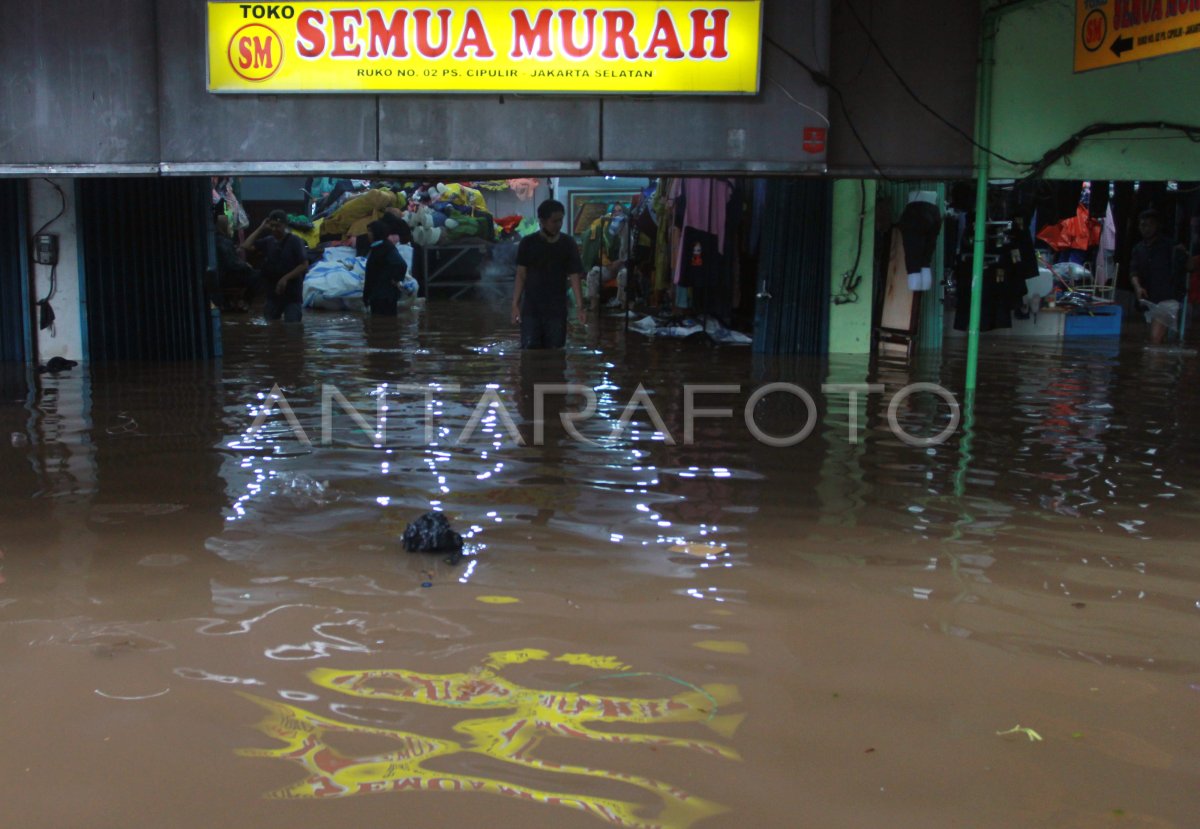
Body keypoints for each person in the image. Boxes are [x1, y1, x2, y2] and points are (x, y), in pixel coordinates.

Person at [512, 199, 585, 349]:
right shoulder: (528, 243)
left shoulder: (568, 243)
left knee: (556, 350)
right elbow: (521, 275)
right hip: (532, 307)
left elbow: (574, 275)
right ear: (542, 221)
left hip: (557, 308)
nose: (559, 225)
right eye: (554, 221)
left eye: (561, 220)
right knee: (529, 350)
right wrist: (515, 304)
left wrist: (580, 306)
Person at [1129, 209, 1188, 344]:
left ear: (1157, 226)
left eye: (1150, 225)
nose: (1146, 229)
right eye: (1143, 225)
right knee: (1158, 338)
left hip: (1168, 297)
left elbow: (1187, 267)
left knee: (1155, 338)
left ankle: (1154, 364)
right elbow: (1133, 272)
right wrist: (1138, 288)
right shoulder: (1138, 249)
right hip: (1149, 299)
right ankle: (1162, 363)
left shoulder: (1170, 246)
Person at [241, 209, 309, 322]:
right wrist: (261, 228)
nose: (274, 229)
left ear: (285, 225)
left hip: (292, 293)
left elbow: (304, 265)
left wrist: (285, 278)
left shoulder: (295, 241)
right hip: (273, 294)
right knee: (271, 326)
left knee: (293, 327)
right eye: (271, 226)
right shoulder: (269, 241)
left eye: (277, 226)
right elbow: (246, 246)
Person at [362, 220, 408, 317]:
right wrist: (366, 296)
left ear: (377, 232)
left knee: (385, 324)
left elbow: (401, 264)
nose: (368, 234)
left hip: (385, 296)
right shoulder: (376, 248)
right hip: (376, 296)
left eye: (370, 231)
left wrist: (395, 279)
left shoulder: (386, 248)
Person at [213, 214, 257, 311]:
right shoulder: (224, 241)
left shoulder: (216, 239)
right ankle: (245, 302)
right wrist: (245, 265)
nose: (231, 227)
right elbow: (232, 264)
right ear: (223, 226)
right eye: (229, 225)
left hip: (220, 276)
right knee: (256, 276)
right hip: (226, 277)